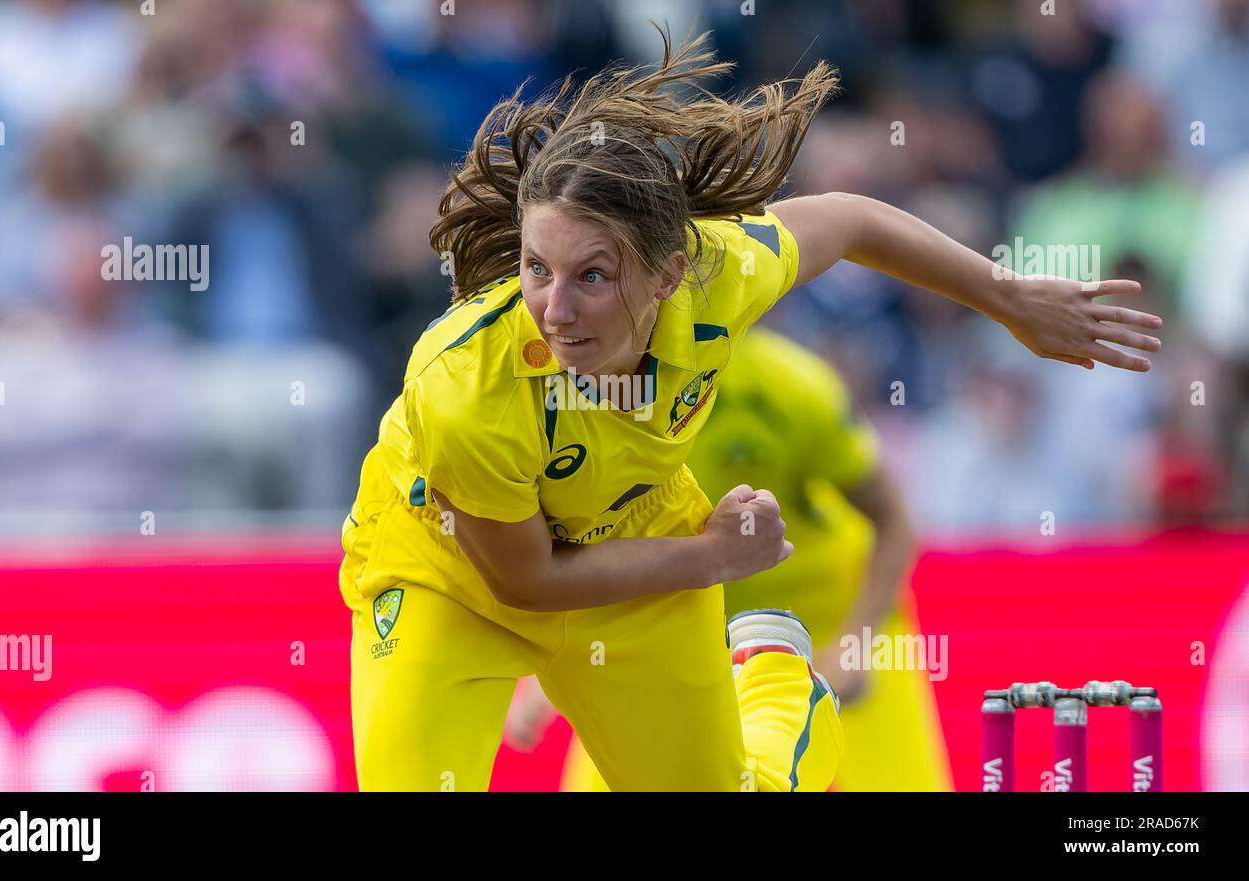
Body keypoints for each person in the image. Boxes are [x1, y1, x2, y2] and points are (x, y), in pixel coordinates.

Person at [338, 29, 1162, 792]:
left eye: (592, 275)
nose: (555, 308)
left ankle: (775, 681)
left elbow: (854, 220)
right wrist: (716, 558)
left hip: (632, 551)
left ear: (667, 272)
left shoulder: (718, 273)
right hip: (448, 582)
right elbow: (527, 579)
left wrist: (1007, 297)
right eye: (536, 267)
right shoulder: (464, 386)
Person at [508, 327, 953, 791]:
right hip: (676, 632)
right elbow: (581, 549)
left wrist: (855, 643)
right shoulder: (588, 399)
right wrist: (557, 660)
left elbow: (894, 523)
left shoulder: (793, 387)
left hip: (830, 623)